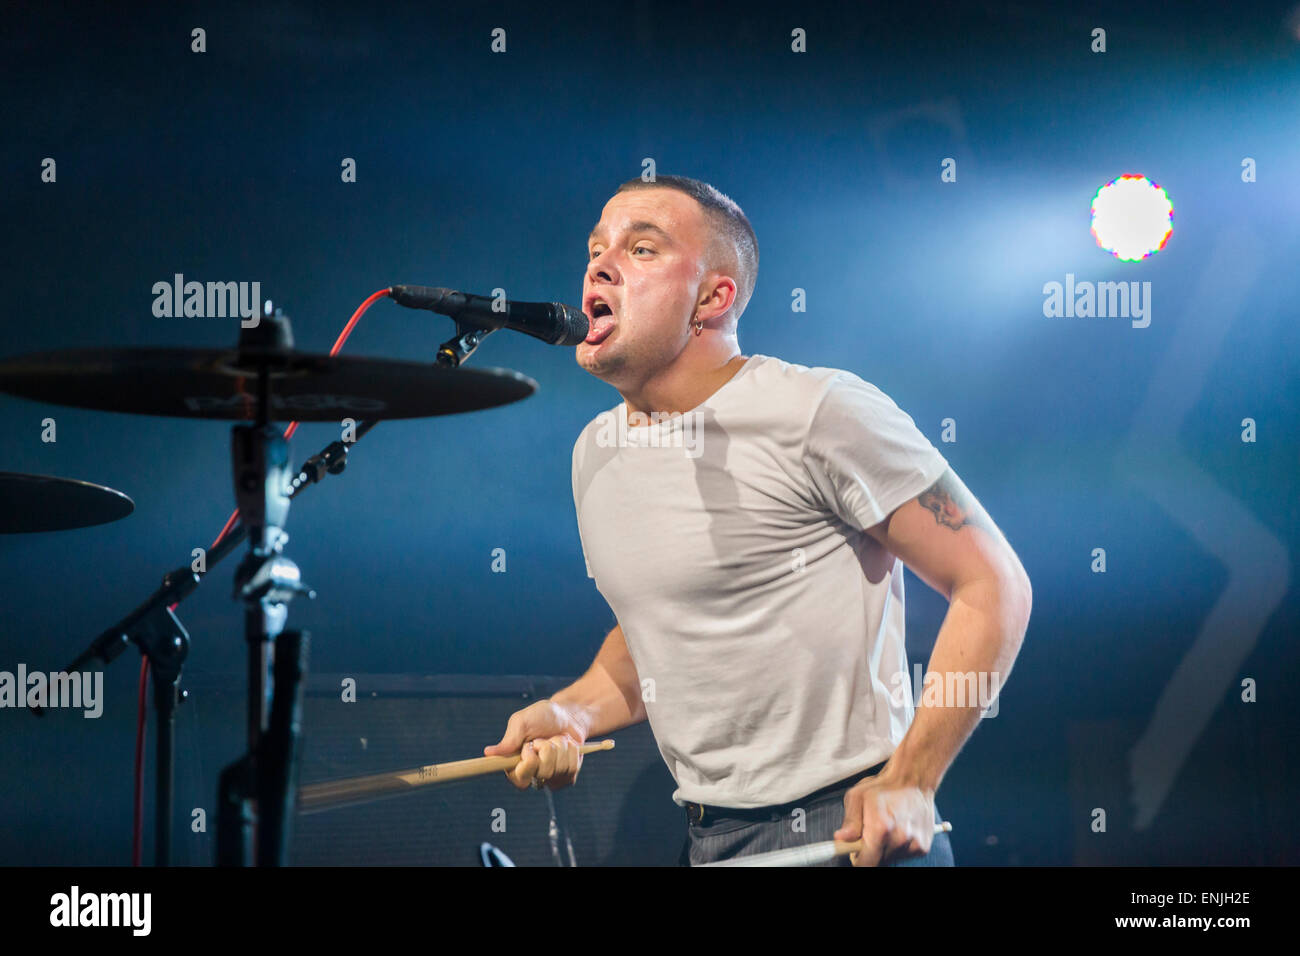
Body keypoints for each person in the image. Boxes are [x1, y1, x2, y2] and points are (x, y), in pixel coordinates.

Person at [485, 174, 1032, 866]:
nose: (601, 262)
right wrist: (573, 711)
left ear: (713, 298)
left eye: (643, 248)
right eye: (597, 248)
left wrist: (912, 781)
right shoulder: (594, 451)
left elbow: (994, 586)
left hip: (853, 836)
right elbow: (663, 624)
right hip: (714, 845)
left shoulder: (820, 410)